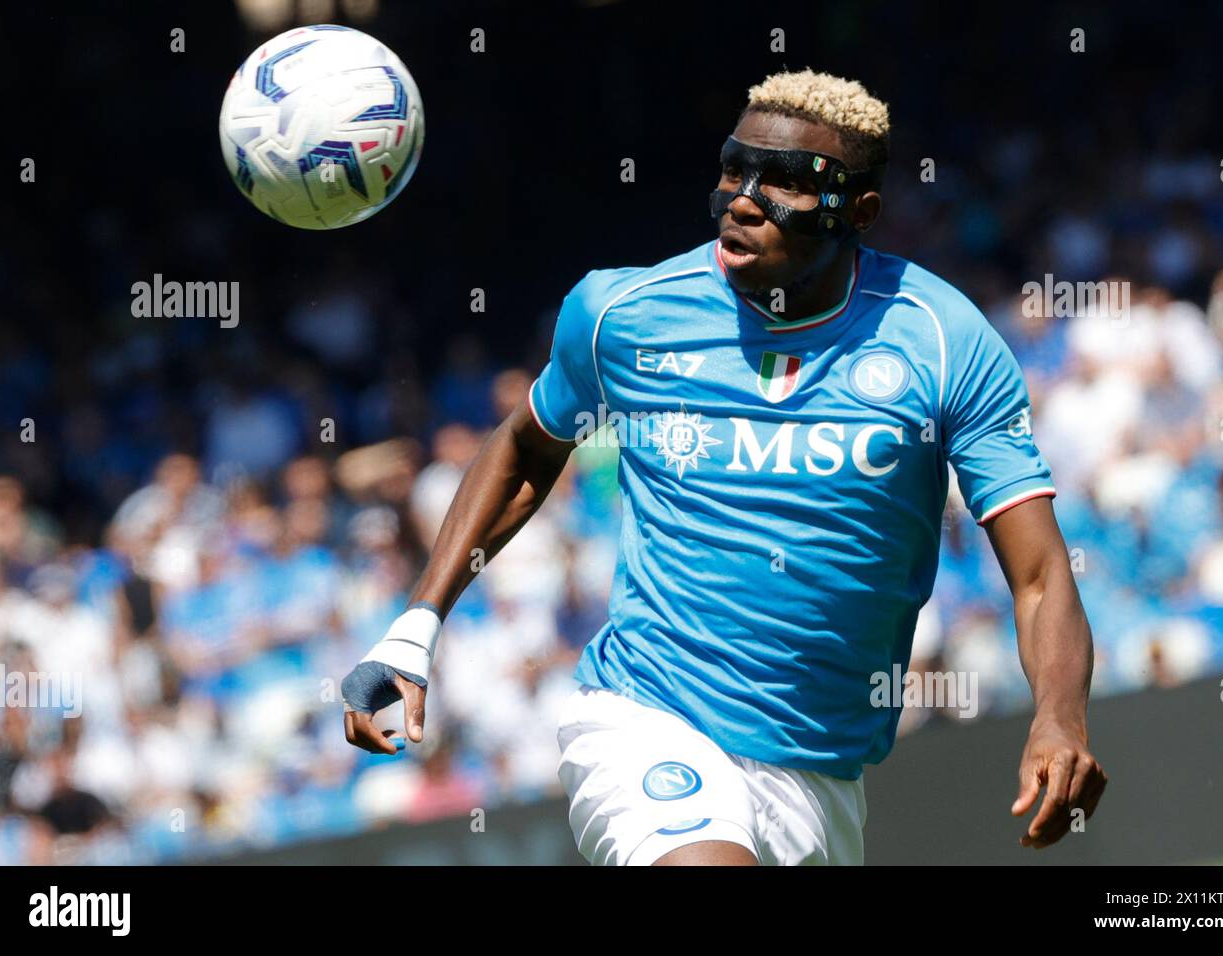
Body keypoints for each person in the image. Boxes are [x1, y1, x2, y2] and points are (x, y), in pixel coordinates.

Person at [341, 69, 1107, 865]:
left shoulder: (942, 340)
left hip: (819, 778)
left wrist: (1060, 715)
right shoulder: (622, 314)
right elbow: (526, 449)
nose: (744, 199)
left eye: (784, 183)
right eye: (735, 169)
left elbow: (1040, 574)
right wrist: (414, 630)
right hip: (646, 714)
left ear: (861, 212)